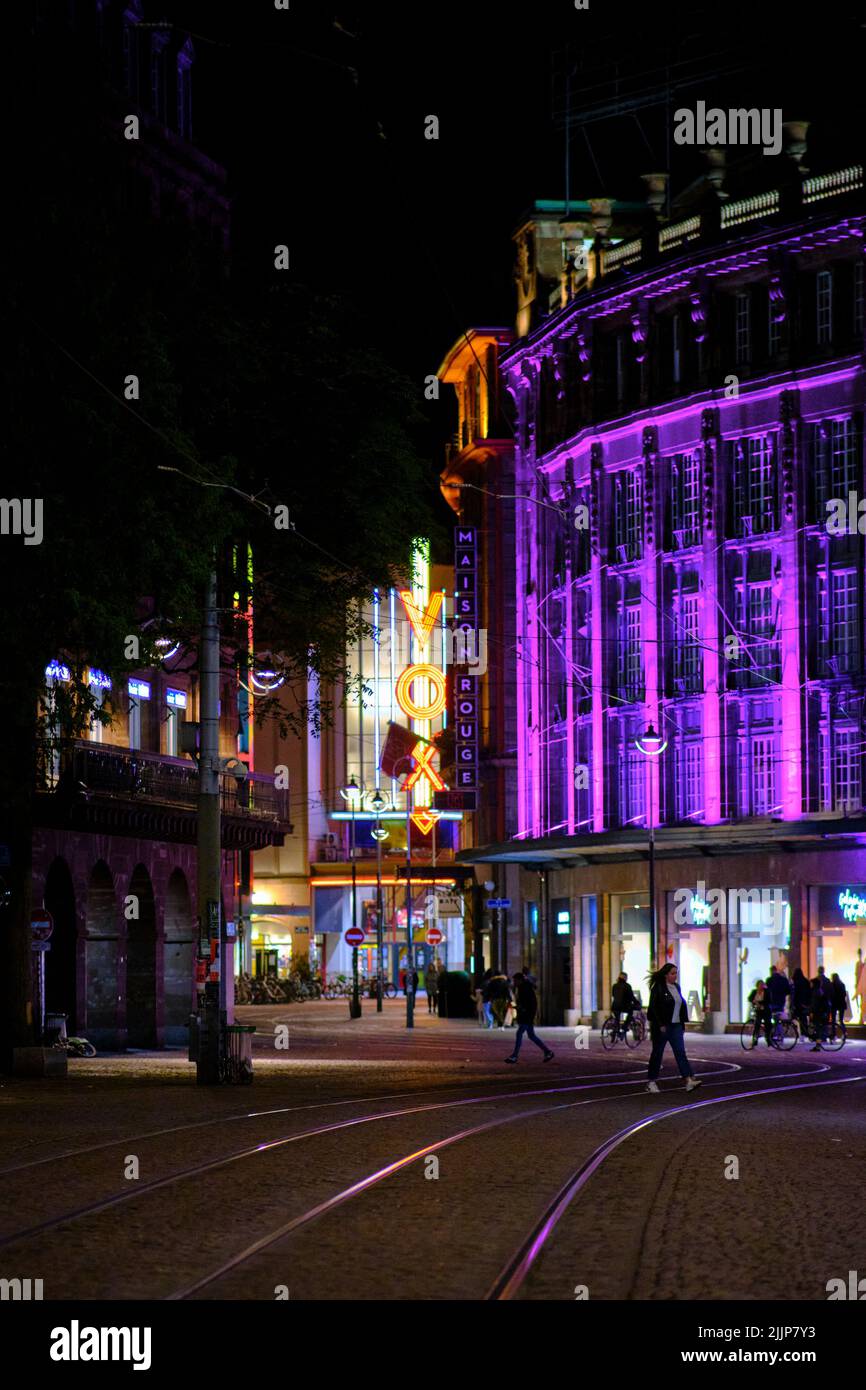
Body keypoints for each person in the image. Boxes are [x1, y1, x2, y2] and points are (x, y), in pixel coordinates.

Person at [645, 962, 701, 1093]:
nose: (675, 976)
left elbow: (680, 1005)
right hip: (663, 1027)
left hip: (676, 1026)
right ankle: (651, 1081)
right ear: (666, 975)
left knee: (680, 1052)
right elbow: (653, 1007)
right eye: (672, 973)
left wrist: (682, 1025)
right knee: (657, 1053)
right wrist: (660, 1024)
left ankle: (688, 1081)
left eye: (676, 973)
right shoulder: (658, 988)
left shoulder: (677, 987)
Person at [505, 971, 554, 1063]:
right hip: (527, 1015)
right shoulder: (523, 987)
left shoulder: (525, 989)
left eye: (515, 980)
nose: (514, 982)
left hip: (526, 1016)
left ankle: (514, 1056)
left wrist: (522, 1009)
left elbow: (531, 1004)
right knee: (531, 1035)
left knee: (519, 1033)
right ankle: (548, 1052)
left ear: (520, 980)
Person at [810, 967, 833, 1048]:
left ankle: (819, 1040)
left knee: (818, 1024)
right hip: (826, 1005)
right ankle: (825, 1036)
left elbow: (814, 998)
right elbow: (831, 991)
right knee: (824, 1022)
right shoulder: (827, 980)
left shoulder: (816, 981)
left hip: (819, 1007)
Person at [747, 978, 773, 1048]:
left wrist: (760, 1003)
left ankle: (769, 1040)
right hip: (758, 1011)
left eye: (762, 985)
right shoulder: (754, 992)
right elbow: (749, 998)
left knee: (768, 1025)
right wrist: (754, 1001)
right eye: (759, 985)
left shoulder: (766, 992)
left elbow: (769, 1000)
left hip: (766, 1011)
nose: (761, 987)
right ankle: (755, 1041)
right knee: (757, 1025)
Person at [611, 972, 636, 1039]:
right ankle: (624, 1029)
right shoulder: (627, 986)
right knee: (630, 1014)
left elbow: (613, 995)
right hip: (624, 1007)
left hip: (614, 1006)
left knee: (617, 1018)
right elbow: (631, 997)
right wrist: (637, 1003)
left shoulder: (614, 986)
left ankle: (615, 1030)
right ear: (625, 978)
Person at [792, 966, 811, 1037]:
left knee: (796, 1018)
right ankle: (804, 1032)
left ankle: (799, 1033)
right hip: (804, 1003)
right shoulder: (805, 981)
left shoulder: (795, 981)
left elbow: (795, 993)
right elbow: (809, 992)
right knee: (803, 1018)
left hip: (797, 1003)